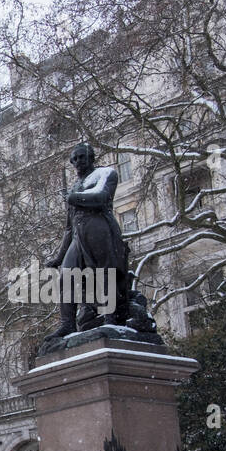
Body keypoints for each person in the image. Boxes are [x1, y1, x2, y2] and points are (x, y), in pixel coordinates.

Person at [44, 142, 130, 338]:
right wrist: (59, 257)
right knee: (67, 275)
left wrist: (74, 198)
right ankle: (68, 324)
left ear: (91, 157)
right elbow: (68, 227)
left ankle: (110, 317)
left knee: (104, 272)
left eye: (81, 157)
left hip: (99, 227)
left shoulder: (105, 174)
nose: (77, 162)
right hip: (78, 234)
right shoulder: (75, 186)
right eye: (73, 159)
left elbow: (102, 198)